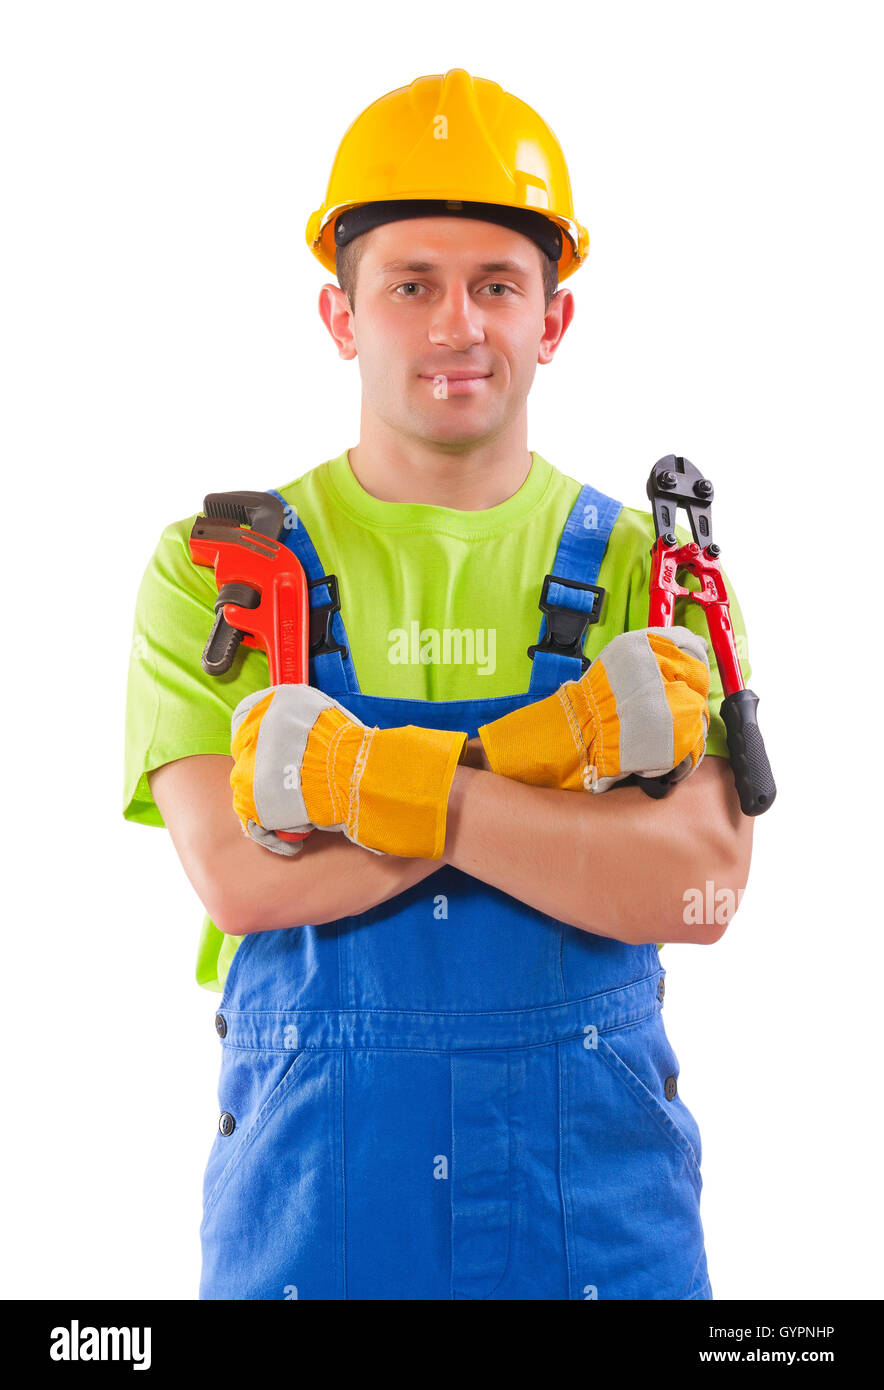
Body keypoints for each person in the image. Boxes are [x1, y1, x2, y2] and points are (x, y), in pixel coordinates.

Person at [123, 68, 753, 1301]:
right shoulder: (219, 571)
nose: (455, 324)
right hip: (313, 1205)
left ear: (552, 320)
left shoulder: (652, 567)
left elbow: (697, 889)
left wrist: (355, 784)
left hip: (596, 1211)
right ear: (340, 314)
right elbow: (245, 880)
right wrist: (560, 770)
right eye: (410, 283)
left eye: (496, 285)